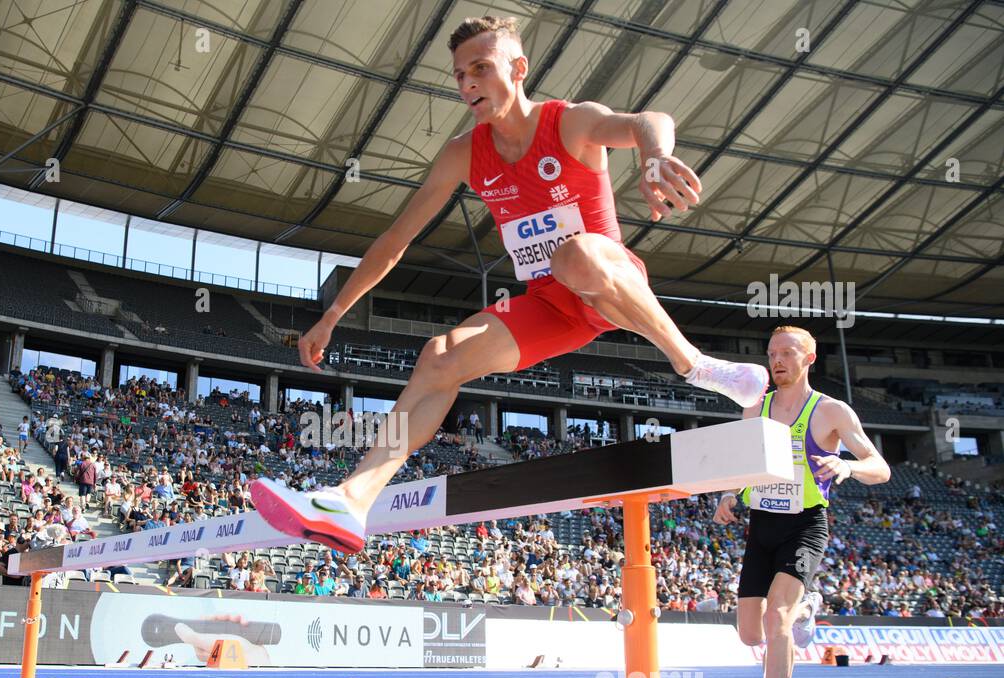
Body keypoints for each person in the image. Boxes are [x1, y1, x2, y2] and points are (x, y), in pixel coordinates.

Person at [249, 16, 767, 552]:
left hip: (608, 280)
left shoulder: (569, 123)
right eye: (458, 75)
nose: (467, 83)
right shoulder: (463, 153)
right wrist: (333, 314)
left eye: (480, 68)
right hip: (553, 309)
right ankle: (352, 501)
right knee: (440, 355)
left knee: (576, 254)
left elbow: (648, 119)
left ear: (519, 69)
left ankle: (694, 363)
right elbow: (396, 239)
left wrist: (654, 156)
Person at [714, 326, 890, 678]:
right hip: (761, 526)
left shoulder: (831, 411)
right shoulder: (756, 406)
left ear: (809, 358)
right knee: (749, 633)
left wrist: (847, 467)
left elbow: (880, 466)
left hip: (805, 526)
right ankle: (807, 605)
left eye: (787, 353)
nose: (777, 360)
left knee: (777, 622)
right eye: (772, 353)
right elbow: (741, 459)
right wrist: (728, 493)